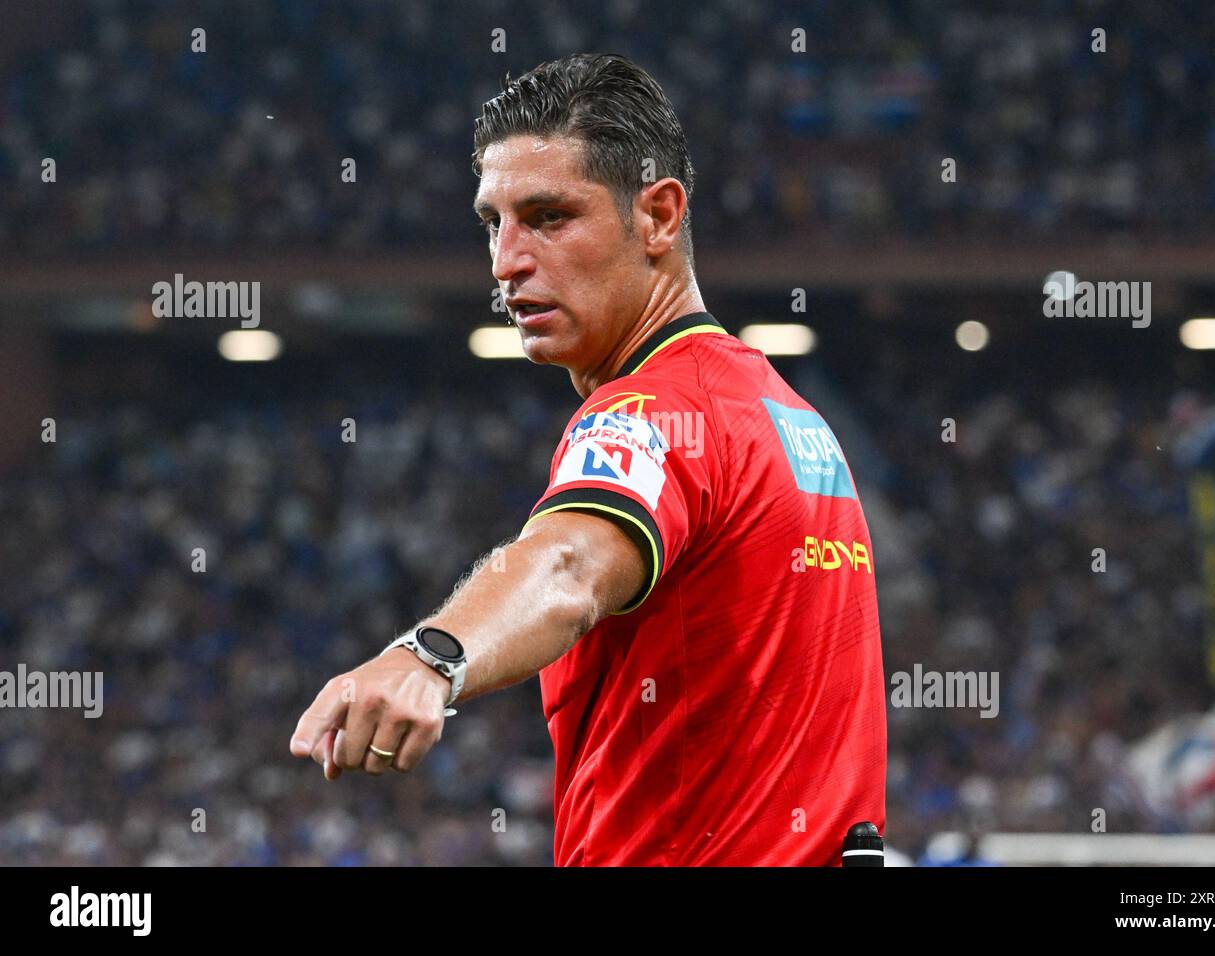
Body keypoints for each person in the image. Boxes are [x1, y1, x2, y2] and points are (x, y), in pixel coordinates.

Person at [291, 52, 886, 866]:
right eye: (492, 223)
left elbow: (569, 566)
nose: (505, 263)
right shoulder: (787, 416)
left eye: (547, 216)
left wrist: (428, 658)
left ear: (659, 216)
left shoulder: (652, 409)